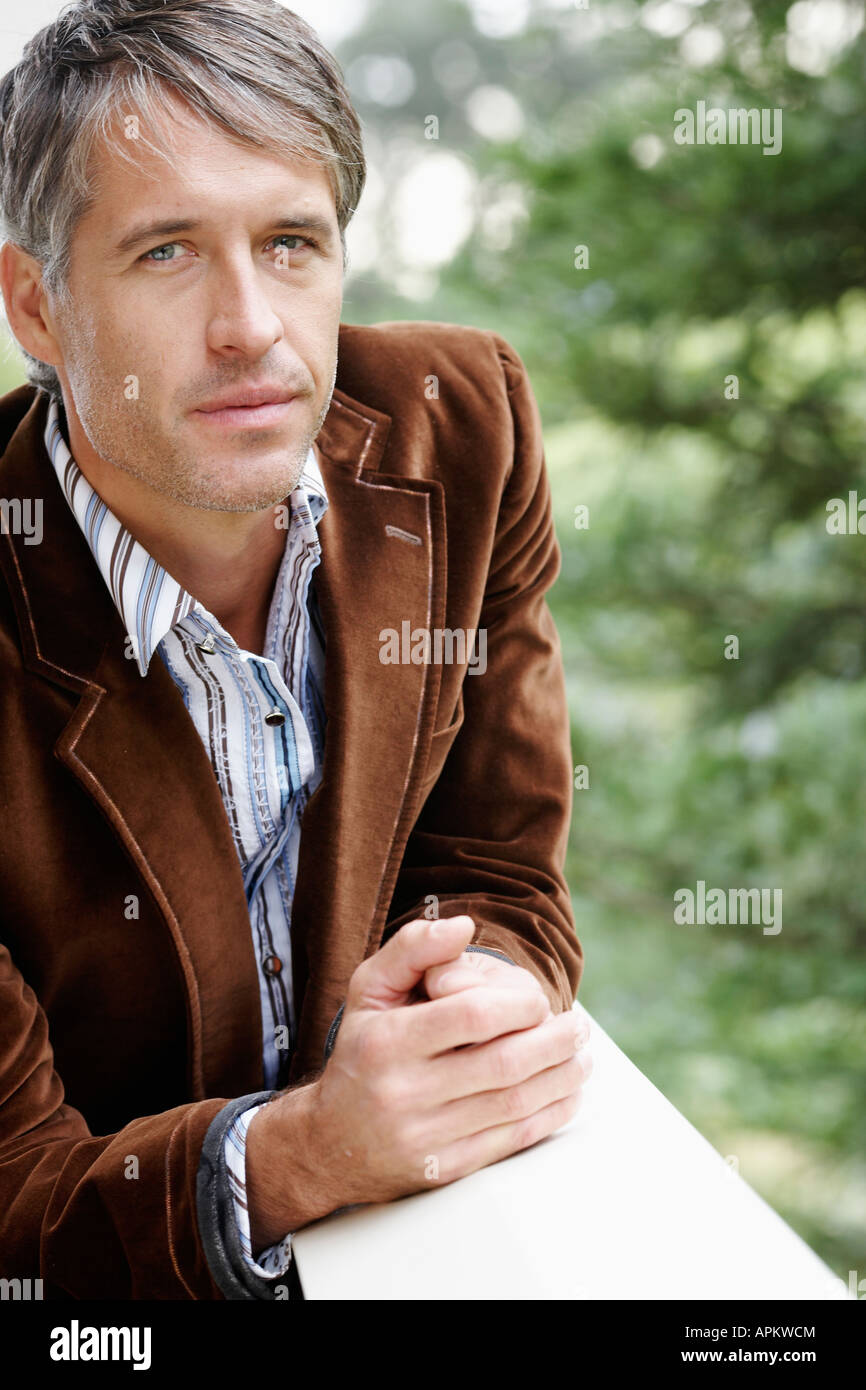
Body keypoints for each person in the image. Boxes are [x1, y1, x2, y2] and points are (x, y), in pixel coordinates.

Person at [0, 0, 590, 1301]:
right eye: (165, 252)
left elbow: (492, 858)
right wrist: (297, 1155)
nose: (251, 326)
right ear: (37, 303)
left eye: (289, 242)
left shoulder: (462, 432)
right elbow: (11, 1198)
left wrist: (476, 988)